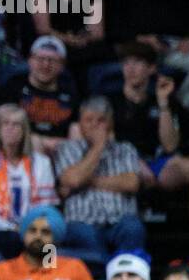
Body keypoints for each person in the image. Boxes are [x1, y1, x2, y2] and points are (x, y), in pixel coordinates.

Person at [111, 43, 189, 262]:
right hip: (123, 164)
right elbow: (109, 145)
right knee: (135, 174)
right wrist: (134, 162)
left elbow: (170, 146)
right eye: (127, 63)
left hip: (159, 163)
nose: (131, 68)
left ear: (152, 68)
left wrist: (163, 105)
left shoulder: (165, 99)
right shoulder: (109, 99)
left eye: (139, 63)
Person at [54, 97, 147, 255]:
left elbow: (131, 183)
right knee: (86, 236)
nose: (94, 125)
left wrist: (89, 181)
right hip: (82, 222)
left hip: (120, 220)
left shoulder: (125, 149)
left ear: (110, 124)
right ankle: (103, 278)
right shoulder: (67, 149)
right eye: (88, 120)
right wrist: (98, 147)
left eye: (101, 120)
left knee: (134, 228)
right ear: (80, 124)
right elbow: (74, 180)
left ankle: (127, 274)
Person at [0, 103, 59, 257]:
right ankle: (13, 278)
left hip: (35, 227)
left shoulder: (42, 162)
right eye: (5, 124)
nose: (10, 128)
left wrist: (30, 229)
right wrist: (10, 228)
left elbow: (45, 207)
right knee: (12, 240)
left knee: (49, 240)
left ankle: (49, 277)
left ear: (24, 131)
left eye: (16, 124)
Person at [0, 35, 79, 156]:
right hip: (22, 148)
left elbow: (76, 129)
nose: (45, 65)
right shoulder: (13, 85)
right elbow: (3, 121)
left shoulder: (70, 90)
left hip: (61, 151)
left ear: (62, 65)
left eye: (52, 60)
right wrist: (41, 142)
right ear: (30, 60)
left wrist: (61, 144)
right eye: (40, 59)